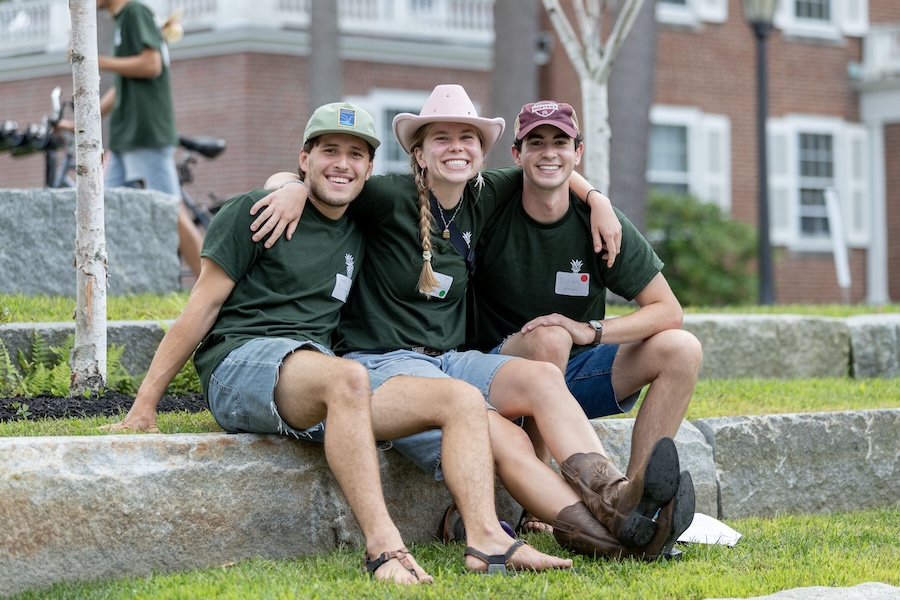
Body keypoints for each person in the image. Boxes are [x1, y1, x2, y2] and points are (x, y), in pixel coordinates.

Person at [100, 101, 570, 582]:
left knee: (462, 399)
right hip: (243, 363)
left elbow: (544, 174)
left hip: (319, 372)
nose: (342, 164)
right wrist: (145, 404)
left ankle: (487, 541)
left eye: (355, 154)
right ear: (305, 158)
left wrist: (592, 198)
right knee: (347, 377)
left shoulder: (359, 228)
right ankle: (384, 549)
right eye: (329, 151)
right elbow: (199, 309)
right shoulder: (256, 211)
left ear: (369, 169)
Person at [258, 84, 691, 561]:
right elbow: (330, 181)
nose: (456, 148)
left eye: (467, 138)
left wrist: (597, 198)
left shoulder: (482, 193)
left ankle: (621, 499)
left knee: (544, 379)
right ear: (419, 153)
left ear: (483, 154)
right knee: (507, 435)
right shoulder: (387, 196)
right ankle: (612, 539)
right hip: (386, 361)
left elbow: (553, 169)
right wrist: (291, 186)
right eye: (441, 138)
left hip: (450, 360)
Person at [468, 100, 703, 537]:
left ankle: (636, 502)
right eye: (536, 143)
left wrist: (591, 331)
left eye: (560, 143)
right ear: (517, 154)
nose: (549, 153)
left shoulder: (601, 223)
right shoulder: (493, 200)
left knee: (681, 348)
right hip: (496, 376)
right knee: (551, 337)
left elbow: (668, 310)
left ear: (578, 152)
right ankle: (536, 500)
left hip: (574, 374)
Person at [59, 0, 204, 278]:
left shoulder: (135, 12)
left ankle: (215, 293)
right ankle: (111, 285)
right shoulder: (124, 19)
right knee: (105, 210)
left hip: (145, 134)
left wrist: (92, 58)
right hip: (127, 139)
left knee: (171, 211)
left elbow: (151, 64)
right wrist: (81, 121)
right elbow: (123, 87)